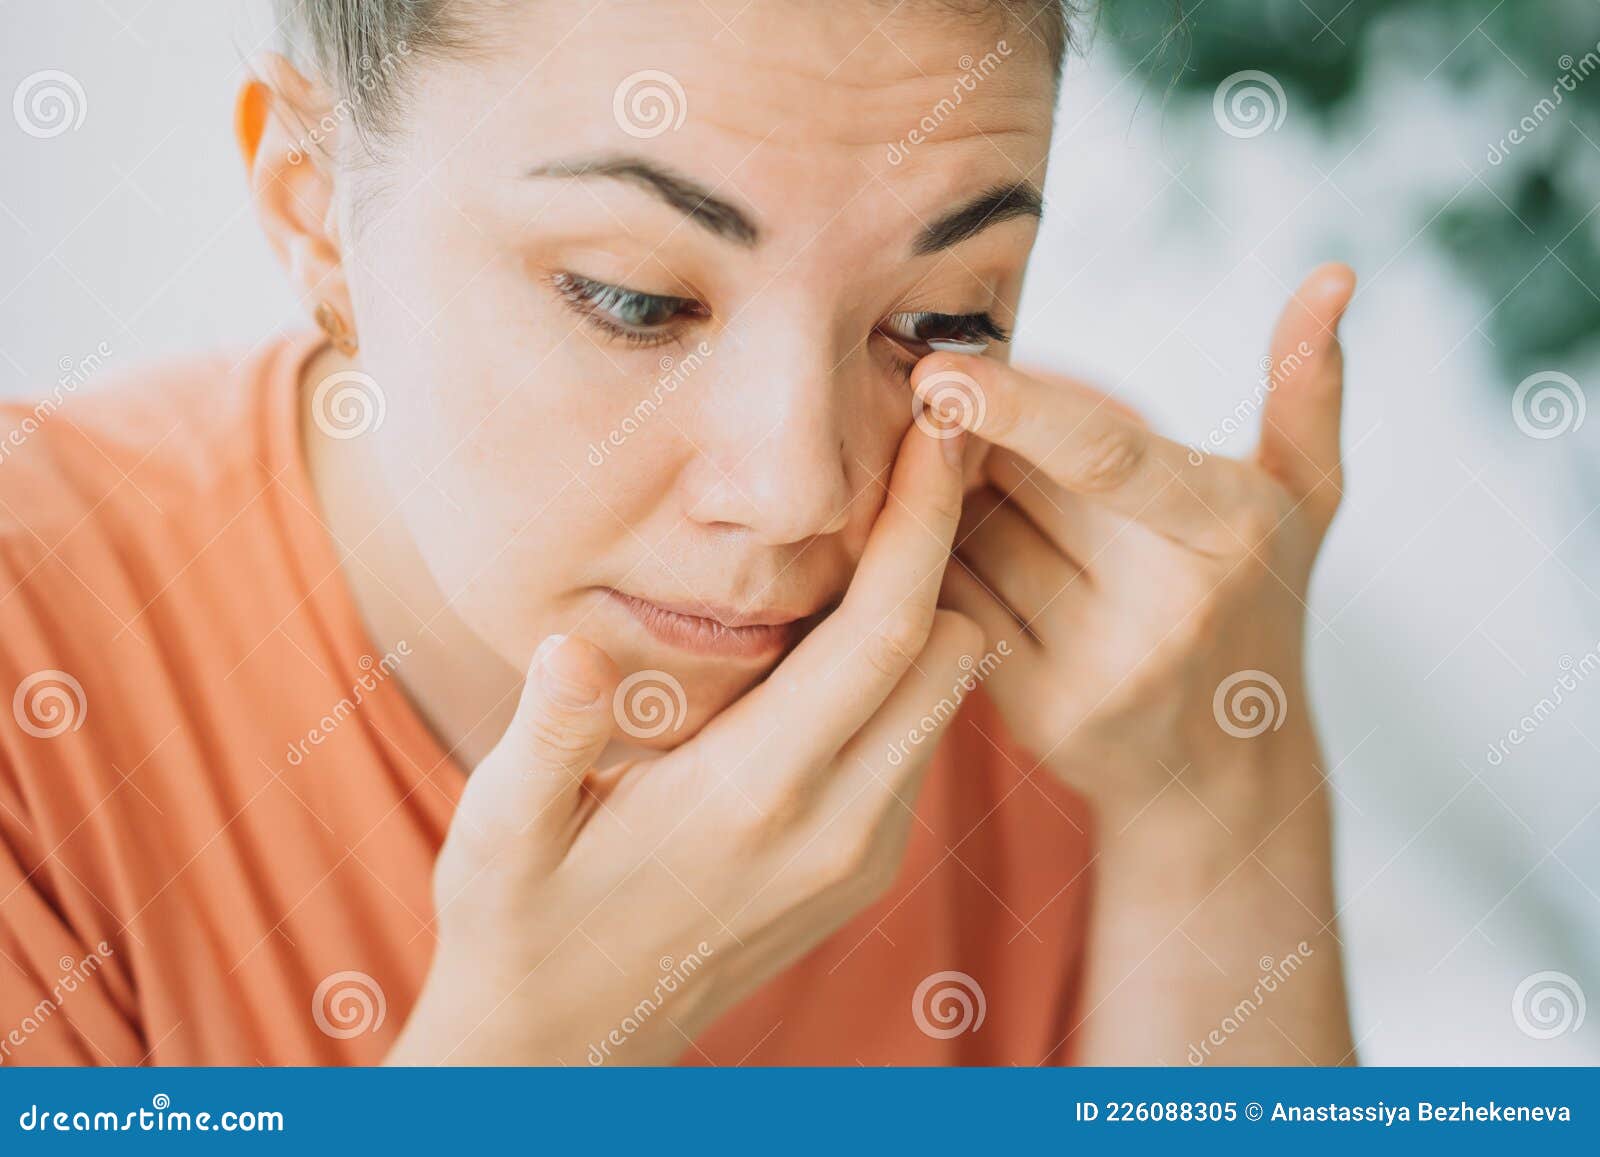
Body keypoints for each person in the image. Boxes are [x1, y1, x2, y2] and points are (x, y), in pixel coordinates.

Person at [0, 0, 1356, 1066]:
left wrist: (1222, 811)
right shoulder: (35, 651)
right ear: (314, 210)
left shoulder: (1095, 609)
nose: (798, 490)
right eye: (636, 300)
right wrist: (527, 1062)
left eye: (946, 313)